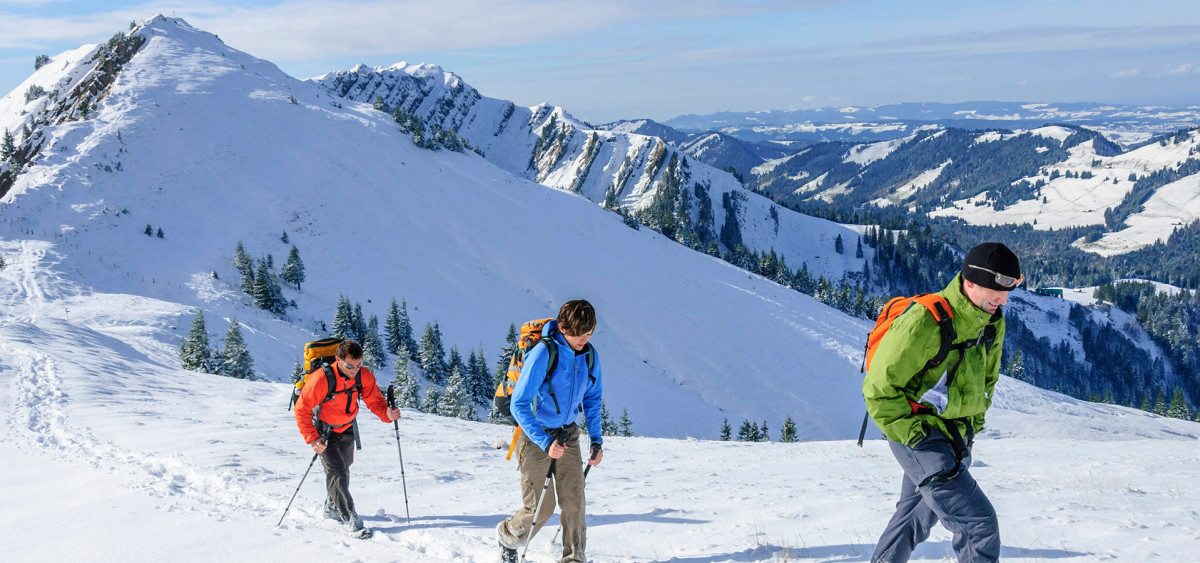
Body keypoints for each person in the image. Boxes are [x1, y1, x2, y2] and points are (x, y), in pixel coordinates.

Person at [863, 242, 1022, 563]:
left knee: (913, 519)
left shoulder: (992, 323)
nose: (1002, 299)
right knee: (979, 525)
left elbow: (987, 381)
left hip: (956, 434)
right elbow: (879, 389)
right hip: (919, 434)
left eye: (1008, 290)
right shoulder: (925, 320)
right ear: (970, 281)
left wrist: (971, 428)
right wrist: (916, 436)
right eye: (995, 289)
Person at [496, 300, 604, 563]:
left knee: (574, 501)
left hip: (567, 433)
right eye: (580, 333)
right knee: (540, 509)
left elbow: (592, 399)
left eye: (589, 333)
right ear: (564, 327)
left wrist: (597, 441)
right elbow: (519, 404)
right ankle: (508, 535)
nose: (584, 339)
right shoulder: (544, 353)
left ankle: (574, 558)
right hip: (534, 435)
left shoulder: (589, 356)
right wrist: (545, 442)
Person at [294, 340, 400, 539]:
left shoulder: (363, 375)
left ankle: (331, 506)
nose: (354, 370)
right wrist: (313, 439)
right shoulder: (321, 379)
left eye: (358, 365)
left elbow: (374, 400)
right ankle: (350, 518)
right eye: (350, 366)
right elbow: (302, 409)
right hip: (324, 431)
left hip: (348, 427)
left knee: (344, 467)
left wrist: (387, 414)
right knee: (337, 472)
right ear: (338, 360)